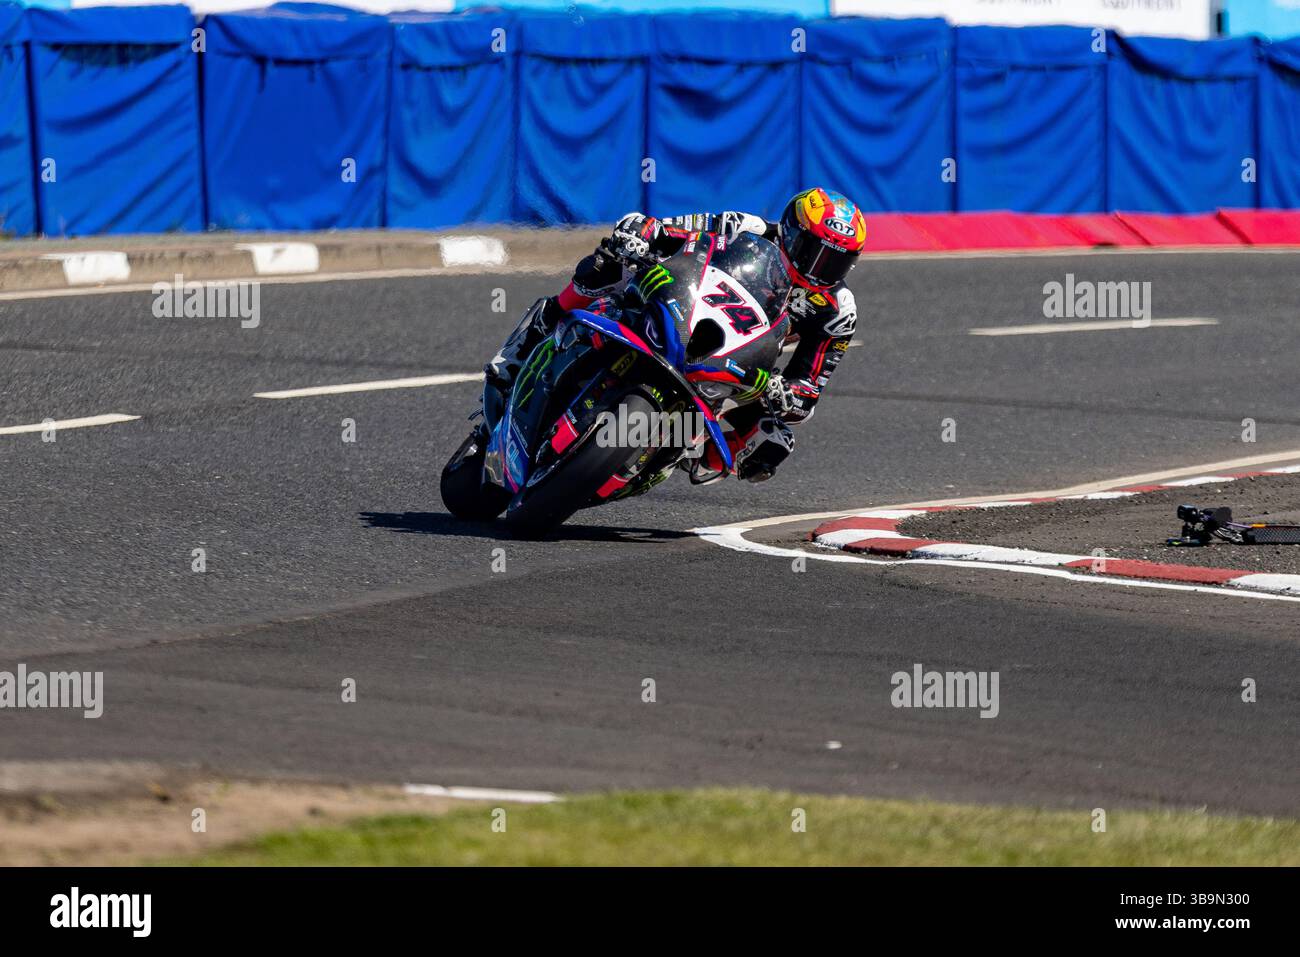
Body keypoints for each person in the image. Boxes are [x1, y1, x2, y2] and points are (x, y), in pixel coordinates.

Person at [487, 187, 867, 482]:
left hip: (732, 363)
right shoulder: (744, 228)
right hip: (680, 304)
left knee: (773, 443)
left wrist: (788, 393)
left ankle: (686, 452)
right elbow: (671, 229)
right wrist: (642, 233)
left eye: (836, 260)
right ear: (791, 231)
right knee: (606, 266)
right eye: (814, 252)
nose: (820, 269)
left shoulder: (838, 310)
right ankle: (534, 336)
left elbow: (810, 389)